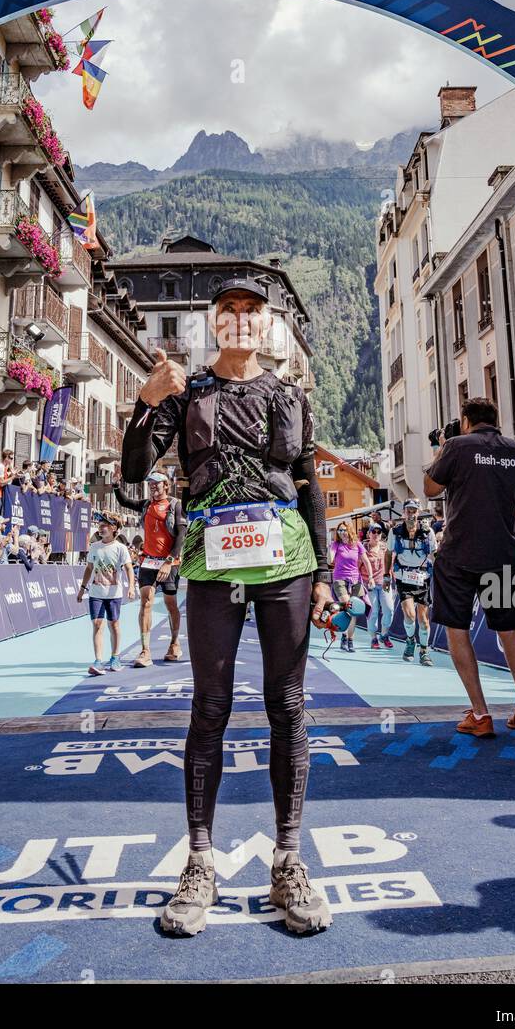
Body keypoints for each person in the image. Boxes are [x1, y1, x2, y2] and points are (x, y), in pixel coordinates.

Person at [121, 279, 333, 938]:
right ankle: (200, 863)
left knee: (287, 703)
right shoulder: (183, 393)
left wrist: (324, 571)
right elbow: (133, 469)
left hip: (286, 561)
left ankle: (289, 861)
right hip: (212, 562)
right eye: (229, 311)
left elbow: (308, 487)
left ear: (267, 326)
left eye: (252, 312)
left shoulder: (289, 394)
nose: (241, 320)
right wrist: (142, 402)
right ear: (212, 324)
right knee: (209, 706)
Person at [423, 395, 515, 737]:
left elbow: (430, 488)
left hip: (459, 553)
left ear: (465, 419)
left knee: (457, 629)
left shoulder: (457, 446)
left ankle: (480, 714)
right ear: (495, 418)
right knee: (510, 631)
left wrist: (442, 448)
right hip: (503, 552)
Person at [112, 471, 187, 667]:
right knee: (145, 602)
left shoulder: (174, 505)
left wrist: (169, 560)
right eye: (150, 483)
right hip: (148, 562)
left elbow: (181, 535)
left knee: (171, 603)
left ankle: (174, 643)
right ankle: (145, 651)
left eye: (156, 483)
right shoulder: (146, 505)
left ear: (165, 485)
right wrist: (115, 485)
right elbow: (125, 501)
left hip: (169, 562)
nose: (153, 486)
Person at [76, 516, 135, 674]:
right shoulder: (94, 547)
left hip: (114, 594)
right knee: (96, 624)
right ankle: (98, 661)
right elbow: (89, 569)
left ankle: (115, 657)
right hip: (96, 593)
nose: (101, 528)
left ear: (114, 528)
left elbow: (129, 568)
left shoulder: (120, 548)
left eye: (105, 526)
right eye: (100, 526)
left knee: (114, 625)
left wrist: (131, 587)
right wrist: (82, 588)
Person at [385, 499, 437, 665]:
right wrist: (386, 575)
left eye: (414, 511)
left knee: (423, 619)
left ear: (418, 513)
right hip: (403, 576)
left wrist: (441, 573)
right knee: (409, 614)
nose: (411, 514)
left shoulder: (428, 532)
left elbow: (434, 555)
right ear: (404, 512)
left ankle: (424, 650)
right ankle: (409, 641)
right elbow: (388, 553)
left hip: (423, 578)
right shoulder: (396, 531)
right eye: (408, 510)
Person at [329, 521, 372, 654]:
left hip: (355, 580)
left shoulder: (357, 545)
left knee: (354, 612)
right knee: (349, 606)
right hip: (340, 580)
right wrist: (330, 551)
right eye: (339, 530)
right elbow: (329, 559)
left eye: (343, 530)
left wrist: (370, 577)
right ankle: (345, 636)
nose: (341, 532)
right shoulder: (336, 544)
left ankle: (349, 639)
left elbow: (366, 561)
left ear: (349, 530)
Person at [364, 524, 393, 650]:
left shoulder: (385, 548)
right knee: (373, 611)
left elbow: (391, 565)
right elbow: (357, 566)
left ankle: (384, 635)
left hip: (384, 583)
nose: (376, 534)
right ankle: (373, 638)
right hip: (369, 584)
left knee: (389, 609)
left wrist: (394, 580)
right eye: (373, 532)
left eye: (378, 532)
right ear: (369, 534)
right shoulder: (363, 548)